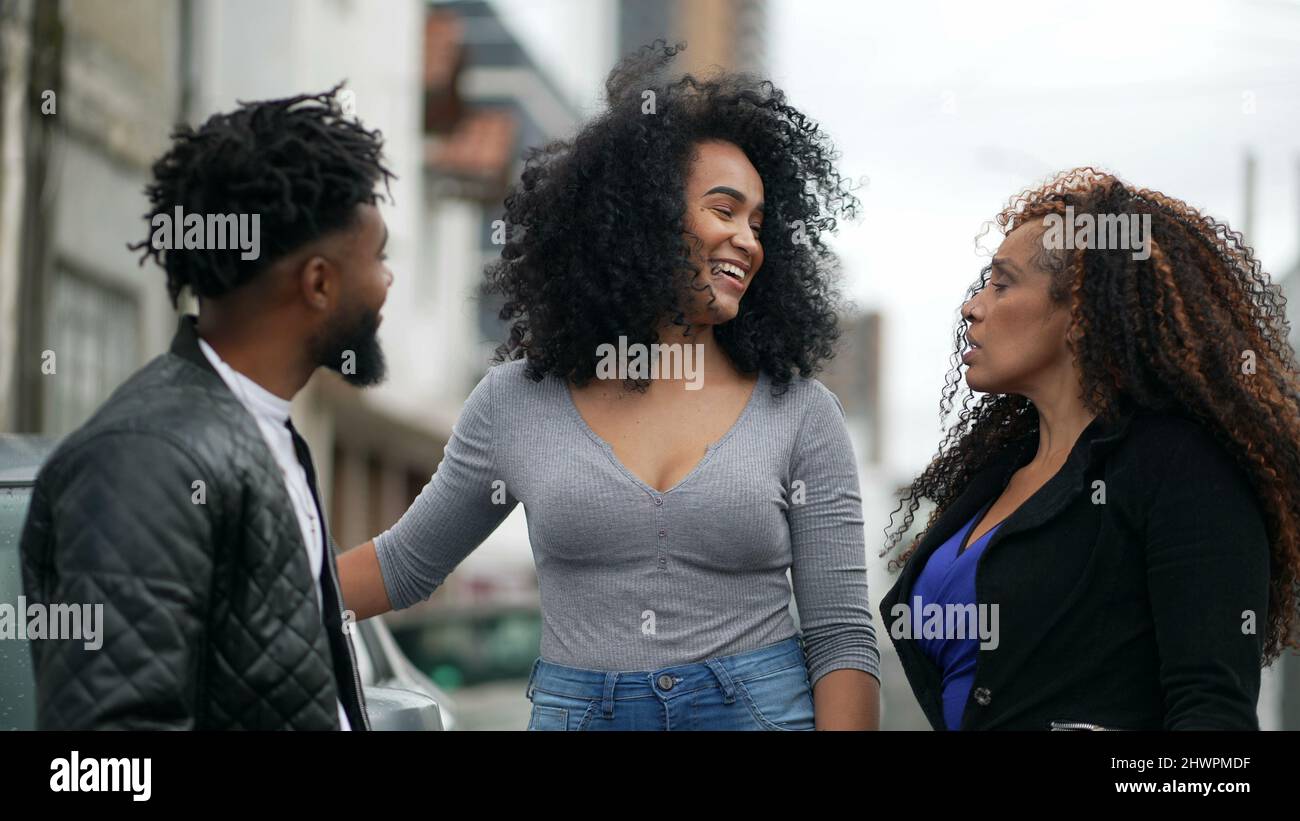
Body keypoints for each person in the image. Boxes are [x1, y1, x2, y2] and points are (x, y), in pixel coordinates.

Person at [339, 42, 881, 730]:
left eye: (758, 222)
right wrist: (226, 600)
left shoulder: (802, 413)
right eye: (725, 210)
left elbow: (840, 636)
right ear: (645, 216)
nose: (748, 239)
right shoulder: (515, 403)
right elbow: (403, 566)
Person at [20, 85, 394, 729]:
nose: (388, 282)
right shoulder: (148, 459)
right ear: (320, 283)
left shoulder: (258, 432)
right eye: (380, 256)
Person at [880, 167, 1300, 730]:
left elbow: (1213, 719)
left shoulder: (1181, 466)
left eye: (1001, 284)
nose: (972, 307)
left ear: (1078, 311)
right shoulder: (997, 475)